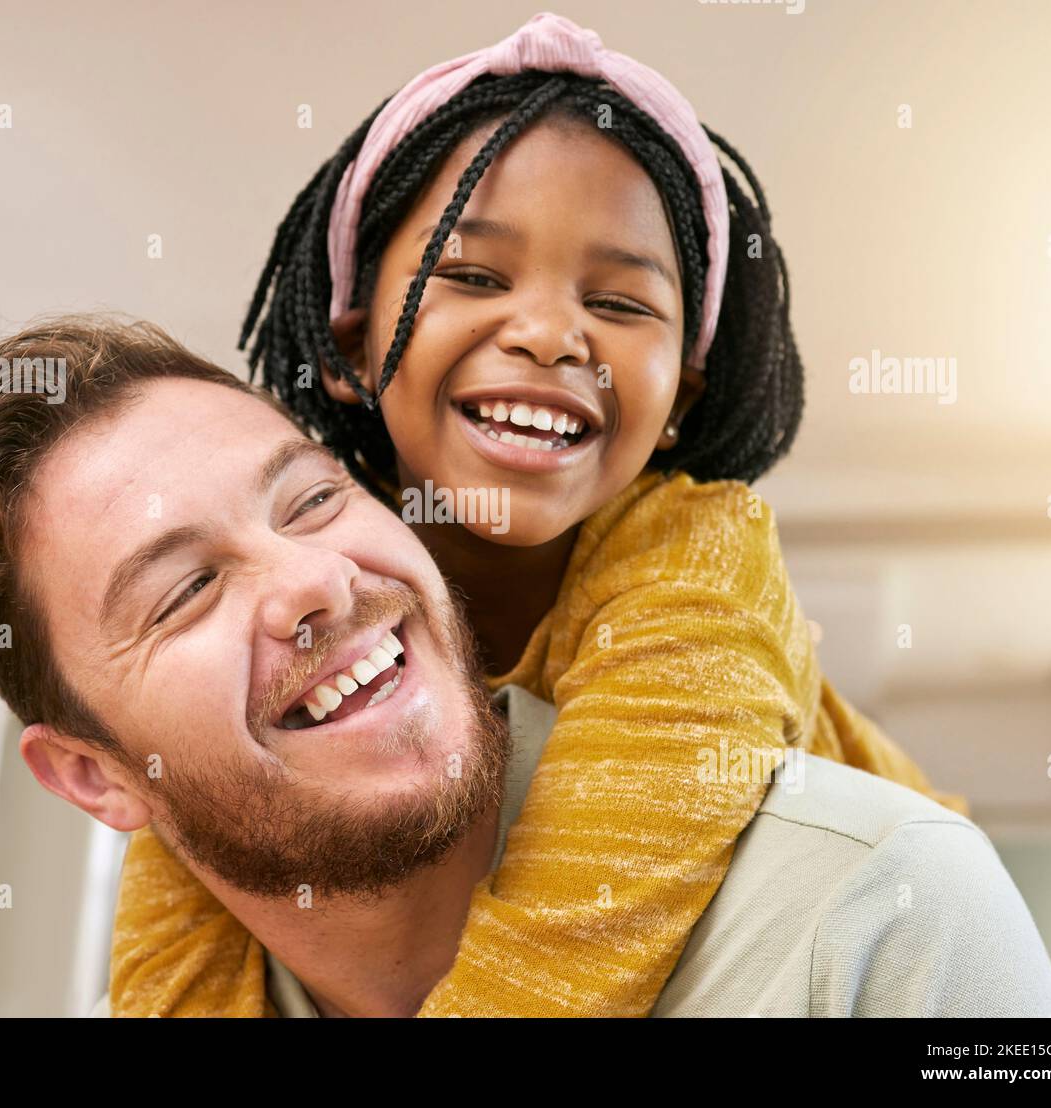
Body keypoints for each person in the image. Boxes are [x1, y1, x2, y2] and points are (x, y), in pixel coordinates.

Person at [114, 12, 970, 1015]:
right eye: (473, 276)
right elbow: (186, 896)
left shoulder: (704, 555)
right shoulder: (307, 584)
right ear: (349, 351)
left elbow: (570, 936)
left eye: (621, 303)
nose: (552, 333)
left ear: (679, 402)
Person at [0, 317, 1051, 1018]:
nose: (314, 578)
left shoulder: (883, 907)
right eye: (184, 591)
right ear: (92, 777)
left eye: (314, 497)